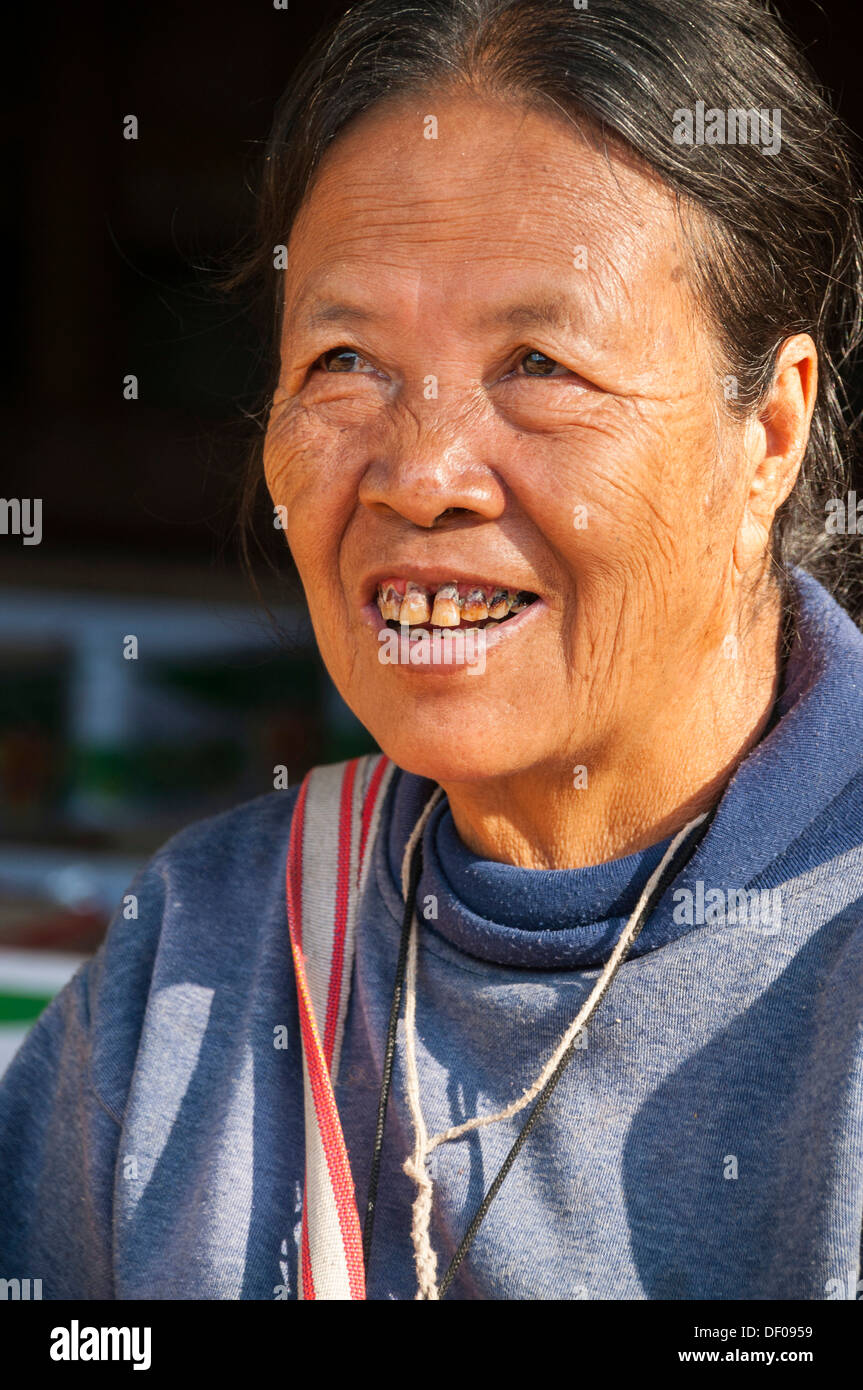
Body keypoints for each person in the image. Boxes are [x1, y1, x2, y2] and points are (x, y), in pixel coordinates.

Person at [1, 0, 862, 1300]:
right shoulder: (195, 963)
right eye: (346, 358)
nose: (420, 474)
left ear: (772, 434)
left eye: (537, 362)